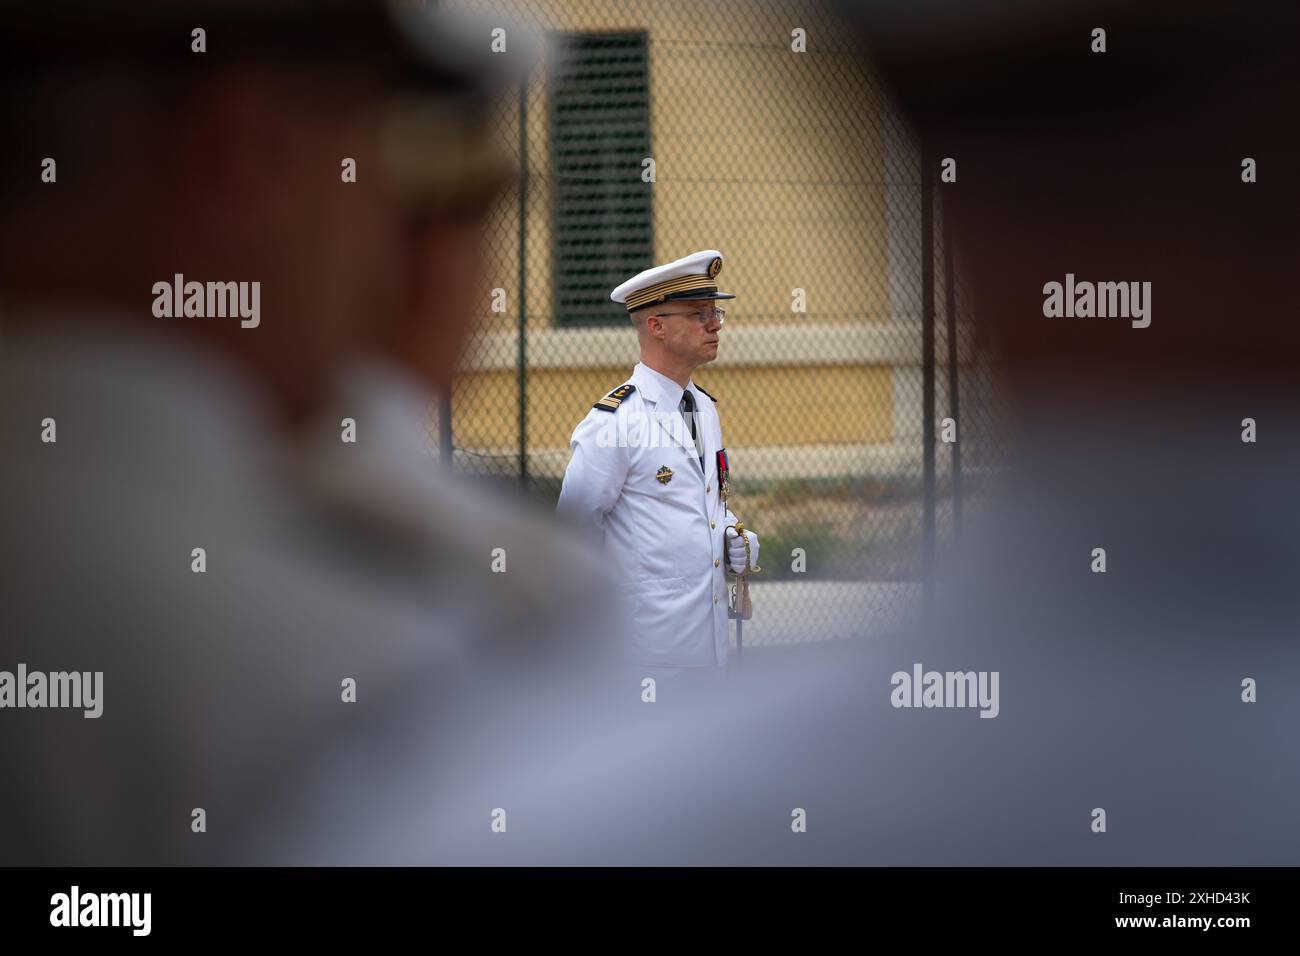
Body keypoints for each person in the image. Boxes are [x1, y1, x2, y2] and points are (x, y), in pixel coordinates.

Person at [556, 250, 760, 676]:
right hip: (645, 659)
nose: (715, 324)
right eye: (698, 314)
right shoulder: (614, 422)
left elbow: (703, 505)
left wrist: (731, 535)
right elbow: (572, 532)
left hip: (711, 650)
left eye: (715, 311)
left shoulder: (703, 408)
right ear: (656, 326)